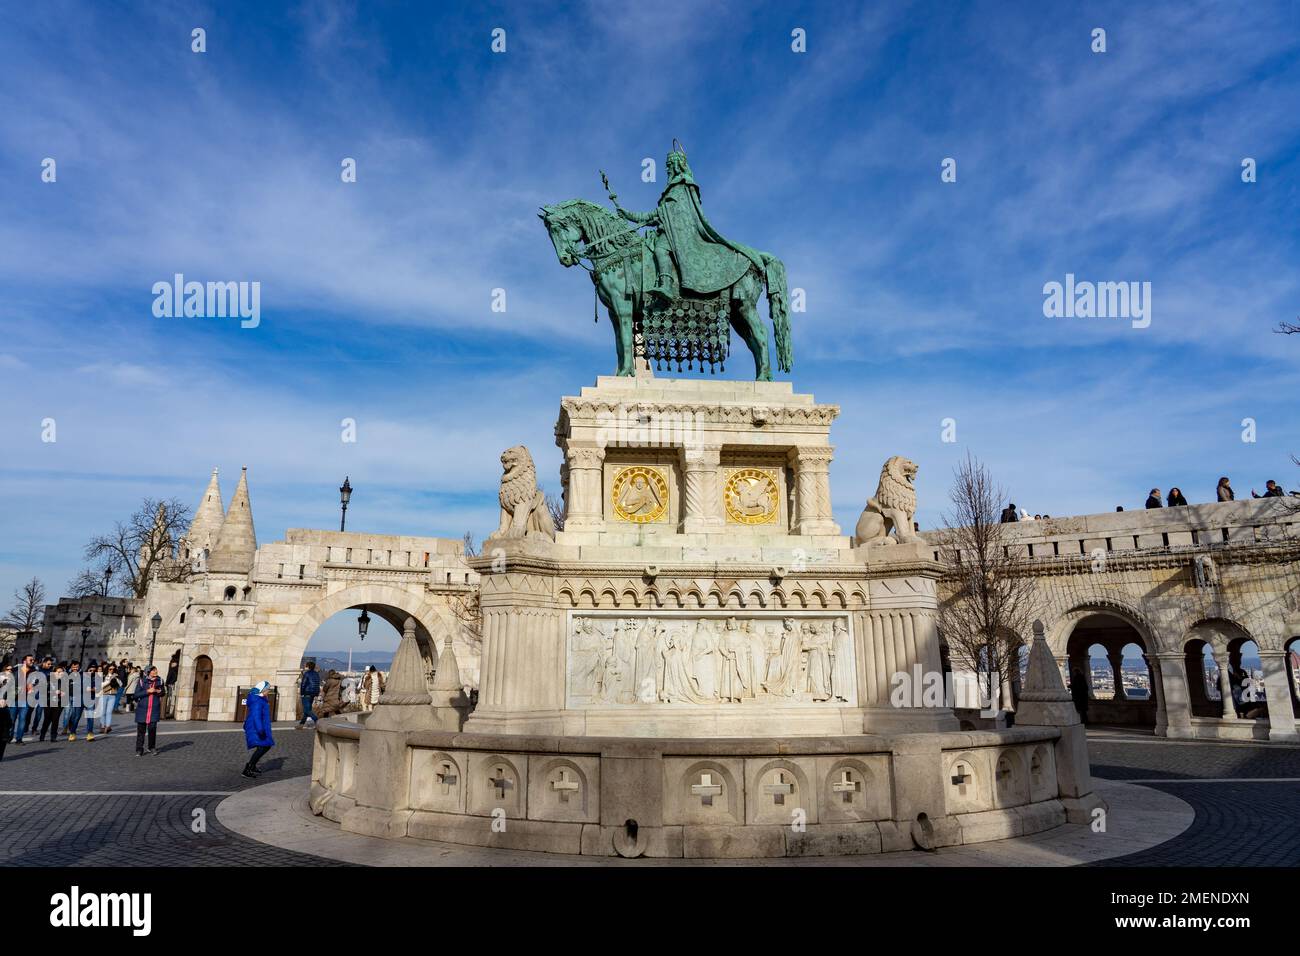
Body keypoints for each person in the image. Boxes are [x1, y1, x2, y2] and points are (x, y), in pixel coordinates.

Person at [241, 680, 275, 778]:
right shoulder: (258, 701)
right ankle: (248, 769)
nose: (269, 691)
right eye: (268, 689)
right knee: (262, 747)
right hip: (255, 727)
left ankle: (252, 766)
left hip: (257, 726)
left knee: (265, 746)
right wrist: (260, 730)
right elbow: (256, 716)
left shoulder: (260, 699)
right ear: (263, 690)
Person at [133, 665, 165, 756]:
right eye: (153, 670)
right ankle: (139, 749)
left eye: (156, 670)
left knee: (152, 730)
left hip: (154, 709)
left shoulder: (160, 680)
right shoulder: (142, 681)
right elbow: (136, 695)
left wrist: (159, 692)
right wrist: (147, 691)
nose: (155, 671)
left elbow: (163, 692)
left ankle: (152, 747)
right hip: (143, 710)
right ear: (148, 672)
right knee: (141, 731)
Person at [38, 663, 68, 742]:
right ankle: (42, 734)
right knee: (47, 719)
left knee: (55, 720)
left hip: (59, 703)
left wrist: (64, 693)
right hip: (48, 702)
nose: (60, 674)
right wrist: (54, 692)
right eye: (58, 672)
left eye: (61, 672)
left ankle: (53, 736)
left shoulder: (64, 681)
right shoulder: (48, 679)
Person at [96, 665, 120, 735]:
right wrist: (109, 680)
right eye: (110, 669)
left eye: (113, 669)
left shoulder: (116, 676)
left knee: (109, 712)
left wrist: (116, 679)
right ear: (107, 669)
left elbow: (121, 684)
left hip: (112, 695)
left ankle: (108, 726)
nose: (112, 670)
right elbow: (101, 685)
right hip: (104, 695)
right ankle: (102, 726)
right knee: (103, 712)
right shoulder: (103, 676)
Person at [298, 661, 321, 729]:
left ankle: (317, 721)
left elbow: (303, 684)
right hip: (313, 693)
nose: (305, 667)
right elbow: (317, 684)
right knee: (307, 709)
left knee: (307, 710)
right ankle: (301, 724)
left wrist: (302, 693)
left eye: (306, 666)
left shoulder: (306, 674)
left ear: (308, 667)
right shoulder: (316, 674)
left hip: (306, 693)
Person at [0, 665, 12, 761]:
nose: (10, 671)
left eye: (11, 670)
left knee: (7, 726)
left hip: (5, 708)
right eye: (8, 669)